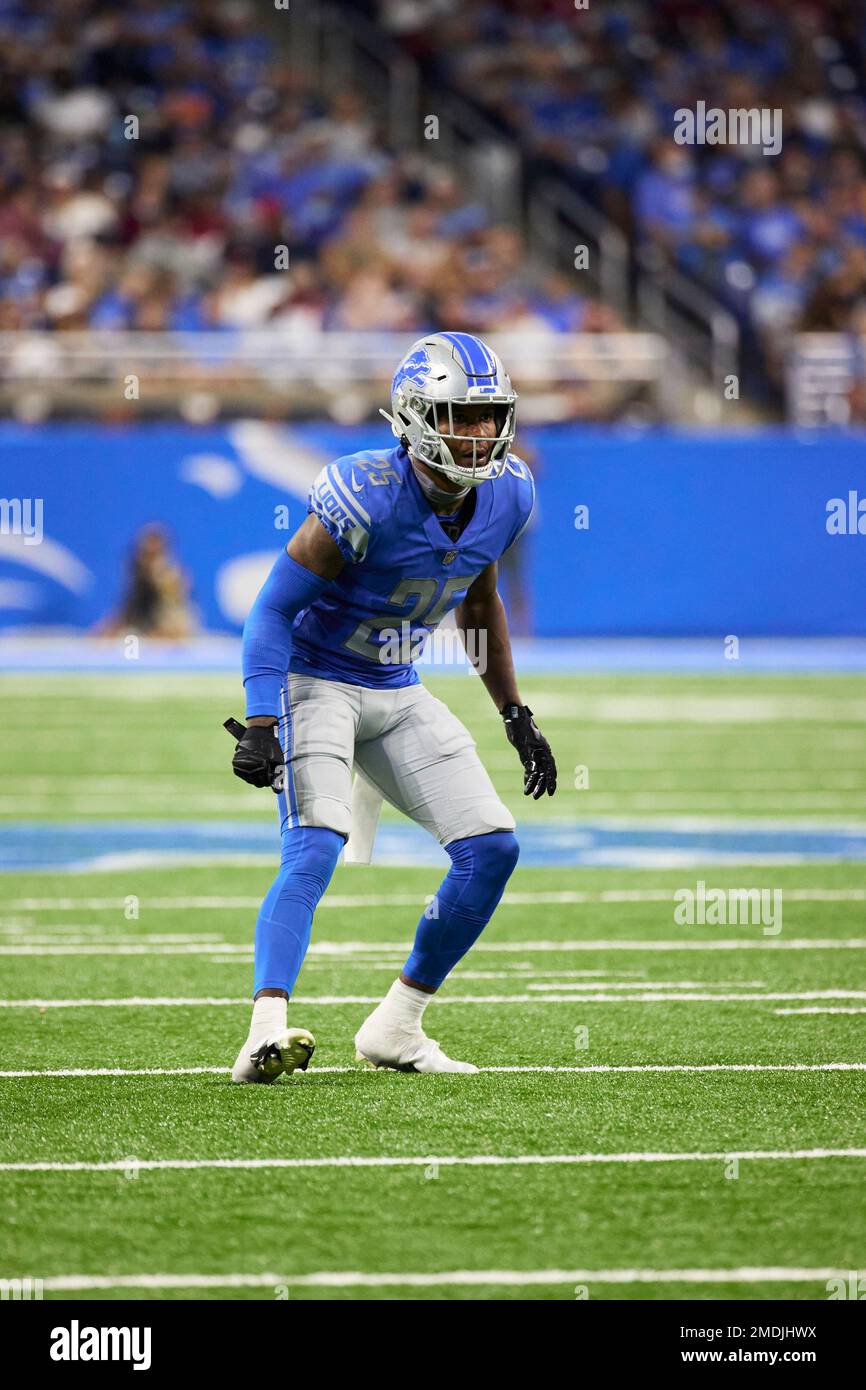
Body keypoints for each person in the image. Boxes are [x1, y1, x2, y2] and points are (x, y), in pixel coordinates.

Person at [227, 331, 557, 1081]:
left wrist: (514, 712)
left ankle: (397, 1026)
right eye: (457, 415)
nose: (477, 434)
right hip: (315, 680)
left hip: (395, 686)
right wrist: (260, 720)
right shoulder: (365, 494)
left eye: (487, 416)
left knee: (492, 849)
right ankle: (263, 1031)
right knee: (315, 845)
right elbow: (271, 612)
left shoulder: (509, 492)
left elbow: (480, 601)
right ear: (413, 415)